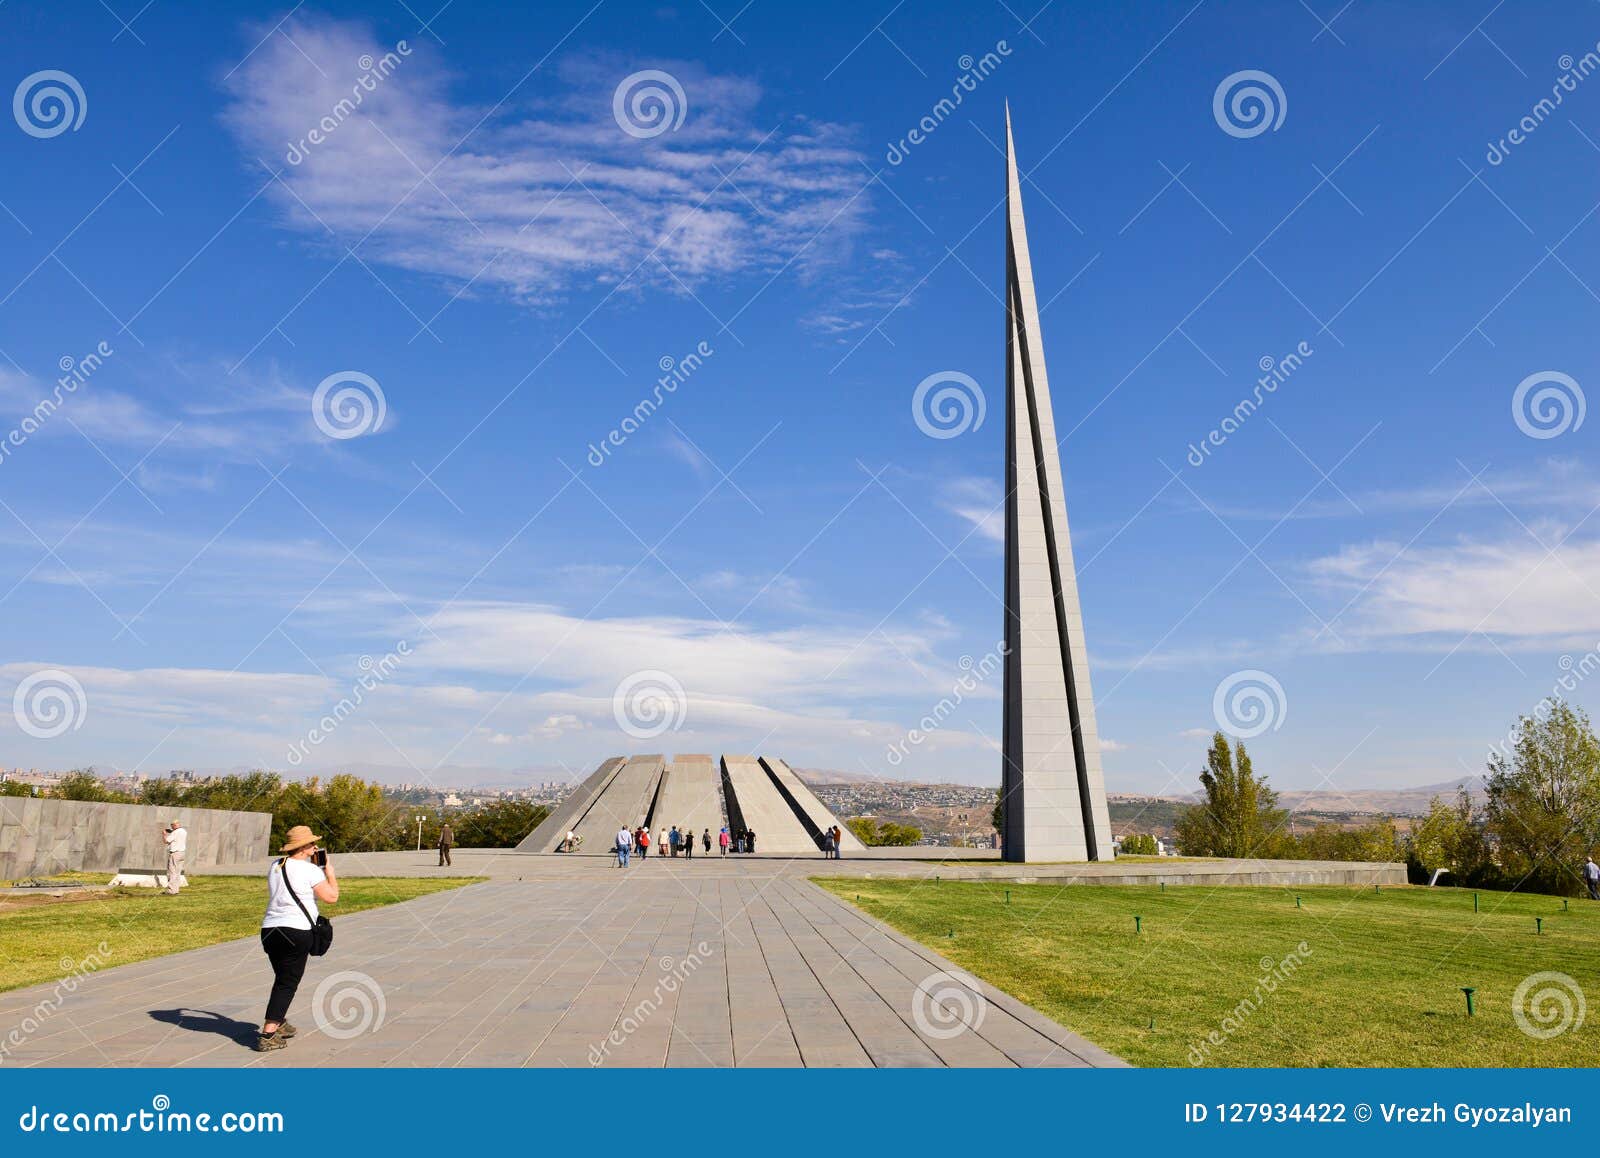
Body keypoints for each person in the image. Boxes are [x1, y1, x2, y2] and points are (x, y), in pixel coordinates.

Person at [258, 825, 338, 1052]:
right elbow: (331, 897)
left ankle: (279, 1021)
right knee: (287, 983)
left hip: (270, 930)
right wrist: (329, 873)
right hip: (296, 931)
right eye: (312, 844)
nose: (316, 847)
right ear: (303, 848)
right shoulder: (311, 871)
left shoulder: (276, 865)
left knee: (282, 977)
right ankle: (268, 1033)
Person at [162, 819, 187, 895]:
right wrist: (171, 831)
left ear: (174, 825)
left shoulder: (175, 832)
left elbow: (166, 841)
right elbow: (177, 834)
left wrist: (164, 834)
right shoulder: (183, 831)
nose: (171, 827)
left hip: (175, 853)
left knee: (172, 871)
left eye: (171, 825)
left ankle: (171, 890)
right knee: (177, 872)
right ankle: (176, 890)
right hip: (182, 853)